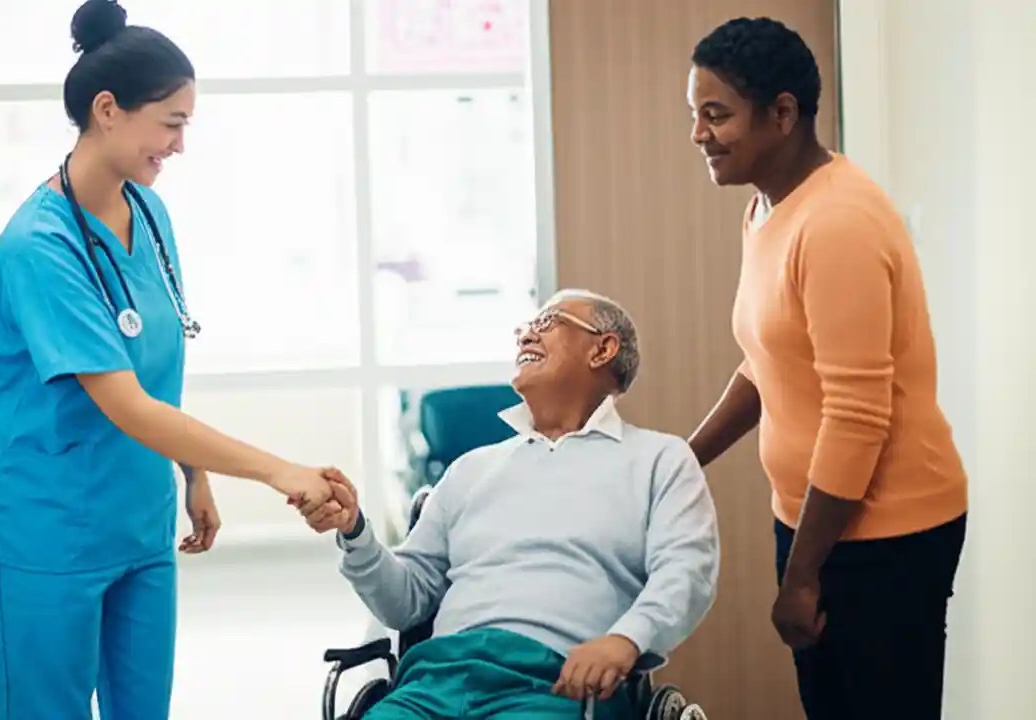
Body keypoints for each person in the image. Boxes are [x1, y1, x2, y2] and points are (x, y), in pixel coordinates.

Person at [0, 2, 341, 717]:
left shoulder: (147, 211)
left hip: (139, 516)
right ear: (108, 110)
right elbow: (128, 404)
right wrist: (278, 471)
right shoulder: (39, 248)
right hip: (49, 526)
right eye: (171, 123)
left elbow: (154, 371)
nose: (179, 145)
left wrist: (192, 472)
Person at [684, 17, 969, 720]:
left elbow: (857, 416)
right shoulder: (766, 209)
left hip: (885, 537)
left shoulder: (837, 223)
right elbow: (767, 363)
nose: (698, 134)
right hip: (813, 521)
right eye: (695, 114)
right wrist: (684, 460)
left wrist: (802, 575)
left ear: (782, 113)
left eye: (716, 114)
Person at [299, 290, 720, 719]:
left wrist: (626, 640)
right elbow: (404, 603)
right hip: (434, 681)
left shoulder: (659, 460)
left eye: (547, 323)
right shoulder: (470, 469)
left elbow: (686, 571)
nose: (526, 337)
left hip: (557, 686)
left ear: (603, 349)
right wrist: (355, 531)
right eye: (523, 329)